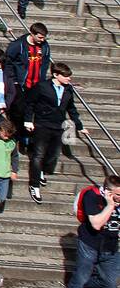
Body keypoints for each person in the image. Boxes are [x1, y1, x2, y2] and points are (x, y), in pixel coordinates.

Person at [22, 62, 86, 205]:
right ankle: (35, 184)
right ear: (56, 75)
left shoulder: (68, 89)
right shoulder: (42, 86)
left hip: (58, 126)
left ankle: (43, 171)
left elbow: (71, 108)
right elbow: (30, 103)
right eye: (66, 76)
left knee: (53, 154)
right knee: (38, 154)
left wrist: (79, 125)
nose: (69, 79)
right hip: (42, 124)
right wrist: (28, 120)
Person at [63, 174, 120, 288]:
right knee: (80, 279)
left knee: (109, 283)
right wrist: (110, 205)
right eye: (119, 194)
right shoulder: (92, 196)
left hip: (111, 246)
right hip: (90, 243)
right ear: (108, 191)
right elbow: (96, 224)